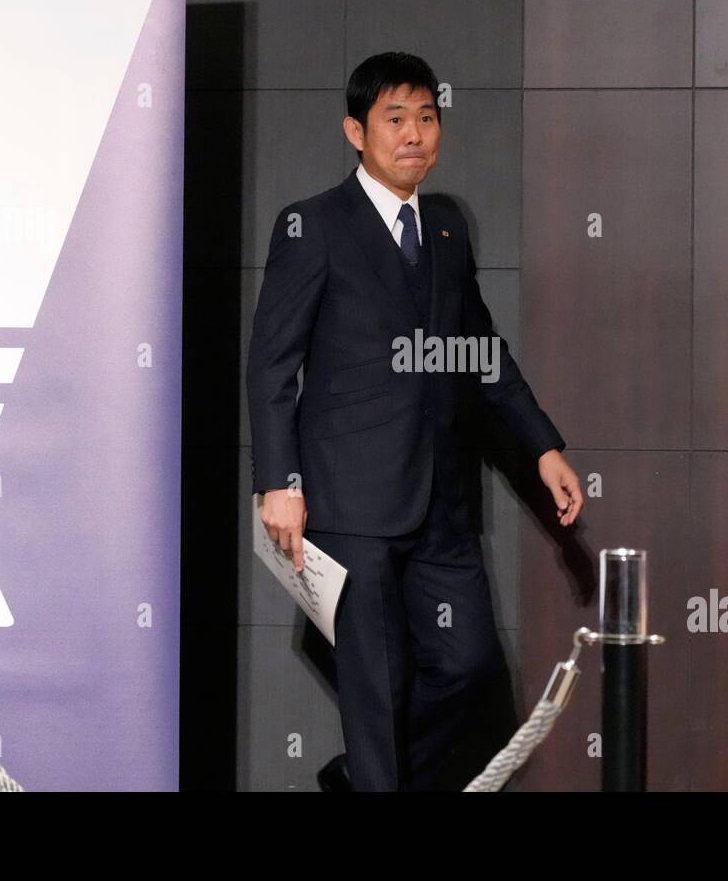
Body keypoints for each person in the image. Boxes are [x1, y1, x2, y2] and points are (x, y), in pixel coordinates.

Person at [246, 51, 583, 791]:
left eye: (427, 118)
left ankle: (355, 783)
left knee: (468, 669)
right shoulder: (312, 226)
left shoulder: (448, 233)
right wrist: (277, 482)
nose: (414, 134)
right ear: (355, 132)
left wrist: (542, 446)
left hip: (441, 502)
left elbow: (480, 350)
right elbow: (272, 364)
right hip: (346, 501)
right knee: (372, 690)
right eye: (394, 119)